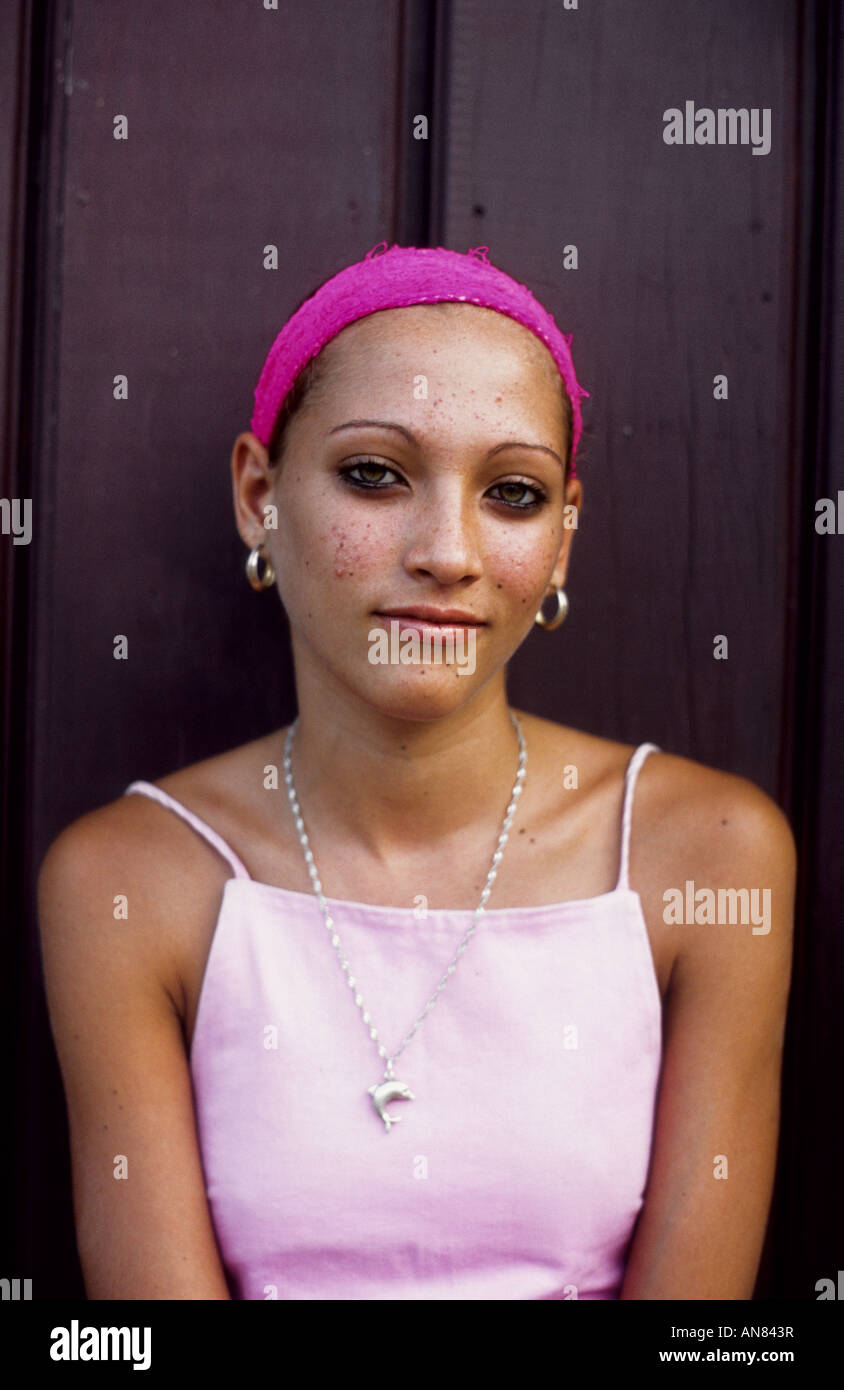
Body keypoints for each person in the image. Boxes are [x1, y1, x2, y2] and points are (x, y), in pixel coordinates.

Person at [37, 243, 796, 1300]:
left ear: (563, 537)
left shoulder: (705, 854)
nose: (448, 550)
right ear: (260, 496)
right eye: (374, 474)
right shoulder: (128, 879)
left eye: (514, 493)